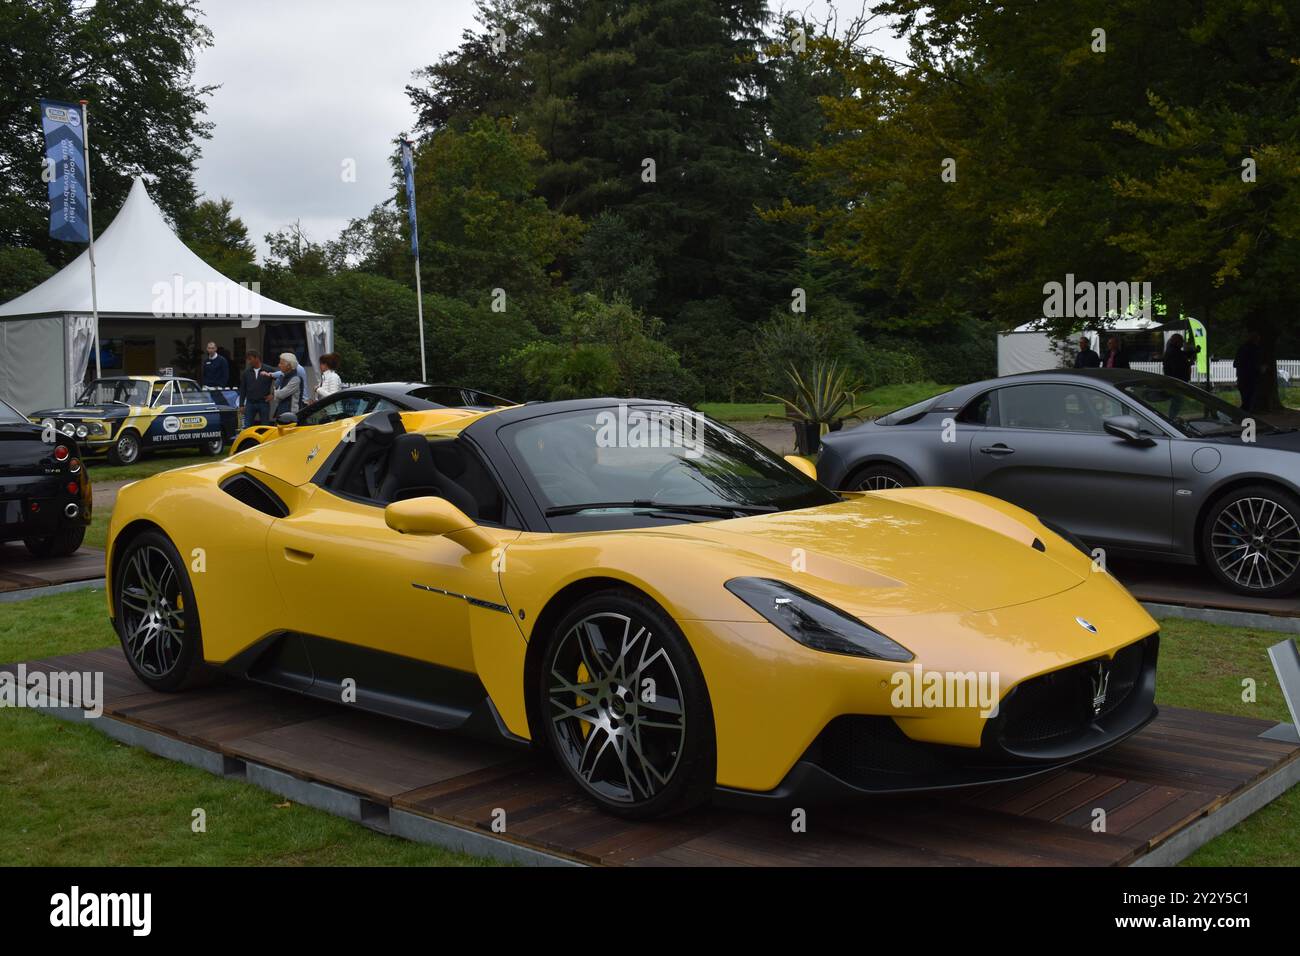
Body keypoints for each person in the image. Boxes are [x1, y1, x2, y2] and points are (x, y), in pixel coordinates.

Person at [238, 350, 274, 427]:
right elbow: (243, 389)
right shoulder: (246, 372)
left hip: (263, 402)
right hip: (250, 403)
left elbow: (280, 380)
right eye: (247, 359)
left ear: (257, 358)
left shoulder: (268, 369)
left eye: (250, 359)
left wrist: (273, 394)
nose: (248, 362)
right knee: (247, 426)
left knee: (265, 426)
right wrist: (241, 405)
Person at [1235, 330, 1263, 412]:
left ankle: (1242, 416)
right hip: (1252, 378)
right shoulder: (1256, 350)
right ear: (1256, 340)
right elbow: (1254, 365)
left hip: (1241, 377)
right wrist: (1260, 369)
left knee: (1245, 400)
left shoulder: (1242, 348)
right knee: (1249, 400)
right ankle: (1245, 417)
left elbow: (1236, 363)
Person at [271, 353, 304, 417]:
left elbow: (280, 395)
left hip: (291, 414)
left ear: (289, 365)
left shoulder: (295, 379)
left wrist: (274, 391)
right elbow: (277, 398)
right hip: (282, 412)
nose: (279, 365)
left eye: (281, 363)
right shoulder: (283, 377)